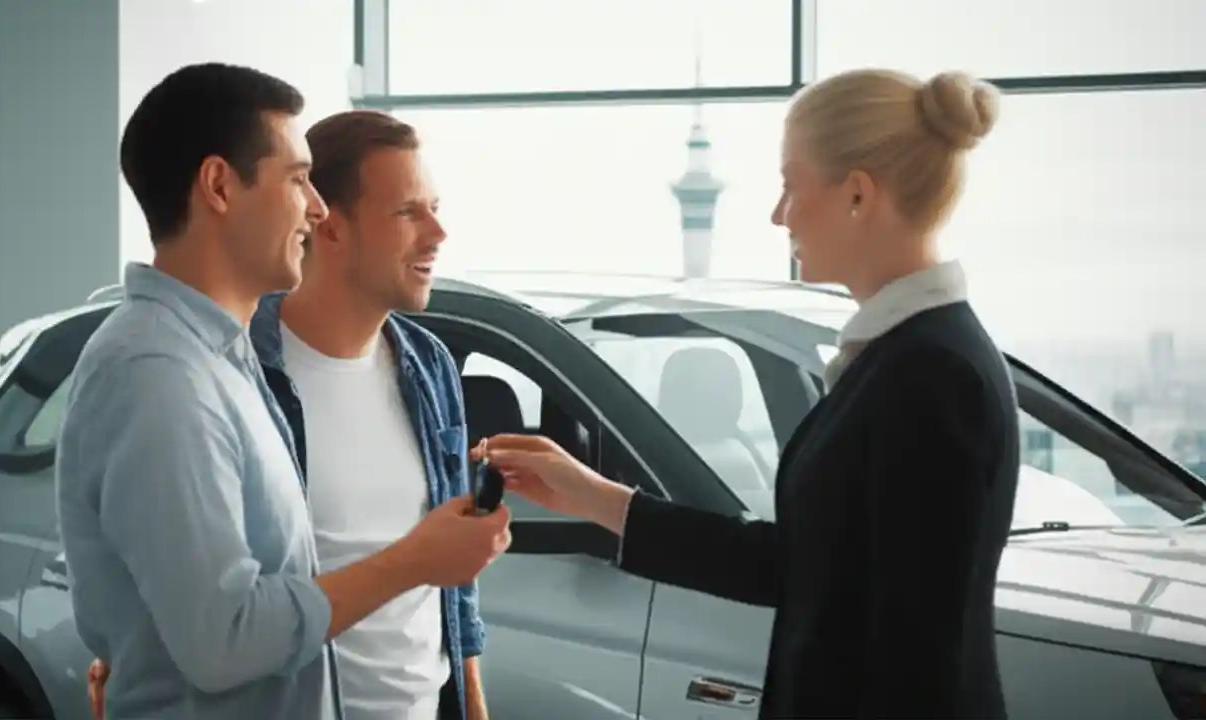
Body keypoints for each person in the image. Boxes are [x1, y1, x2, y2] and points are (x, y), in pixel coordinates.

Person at [480, 68, 1020, 719]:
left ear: (857, 194)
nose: (778, 214)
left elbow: (916, 651)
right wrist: (593, 496)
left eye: (791, 186)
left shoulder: (930, 374)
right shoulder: (907, 356)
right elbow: (799, 566)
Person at [57, 64, 510, 720]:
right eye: (298, 180)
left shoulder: (221, 358)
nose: (316, 205)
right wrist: (415, 560)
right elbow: (225, 639)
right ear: (218, 186)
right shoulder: (157, 372)